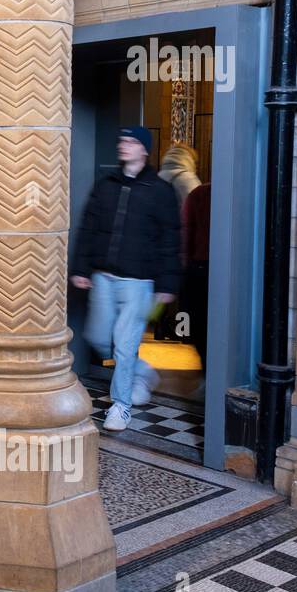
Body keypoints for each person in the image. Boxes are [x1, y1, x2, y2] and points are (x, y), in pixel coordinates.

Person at [70, 127, 181, 431]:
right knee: (97, 337)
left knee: (125, 343)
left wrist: (167, 284)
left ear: (144, 150)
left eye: (131, 142)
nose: (123, 145)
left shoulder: (160, 190)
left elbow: (170, 240)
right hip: (103, 277)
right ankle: (141, 371)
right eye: (122, 141)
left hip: (139, 281)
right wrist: (81, 268)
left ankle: (121, 405)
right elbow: (88, 228)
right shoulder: (105, 186)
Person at [181, 182, 211, 371]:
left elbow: (186, 230)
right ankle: (209, 372)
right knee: (199, 324)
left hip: (199, 266)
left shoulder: (199, 193)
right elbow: (186, 230)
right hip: (200, 266)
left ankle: (208, 371)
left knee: (199, 324)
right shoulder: (199, 194)